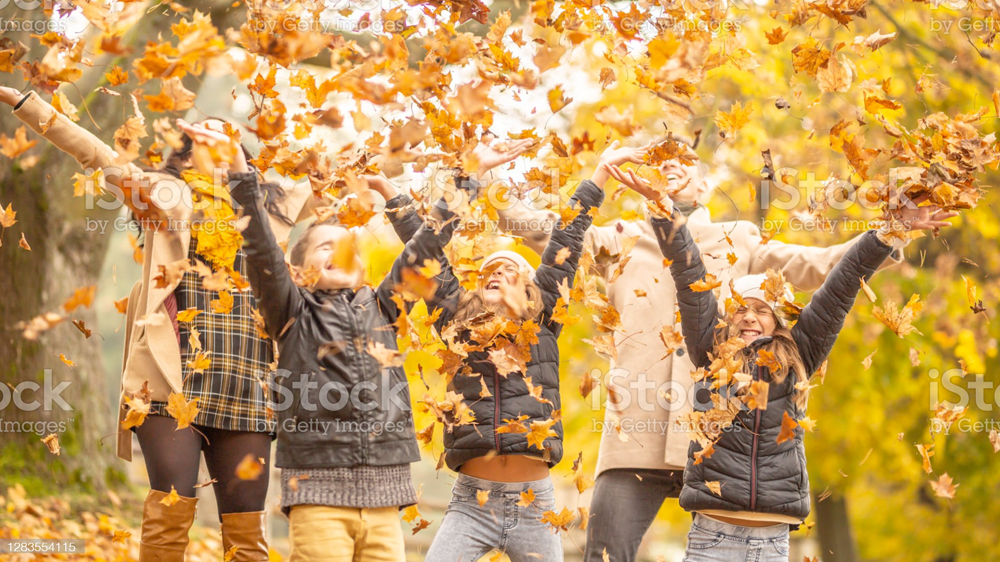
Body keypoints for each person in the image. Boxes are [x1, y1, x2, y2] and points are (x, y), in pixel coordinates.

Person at [488, 138, 907, 561]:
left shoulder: (739, 239)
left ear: (704, 185)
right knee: (605, 554)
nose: (671, 165)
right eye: (659, 160)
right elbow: (547, 232)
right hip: (636, 433)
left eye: (684, 161)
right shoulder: (619, 237)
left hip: (722, 444)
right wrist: (485, 176)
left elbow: (819, 265)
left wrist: (893, 233)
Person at [0, 86, 321, 562]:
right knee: (170, 519)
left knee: (247, 532)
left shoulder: (273, 206)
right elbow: (97, 154)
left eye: (224, 140)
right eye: (199, 141)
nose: (211, 145)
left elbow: (353, 182)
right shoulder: (165, 197)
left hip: (248, 379)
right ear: (183, 159)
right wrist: (28, 104)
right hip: (169, 381)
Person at [618, 165, 957, 561]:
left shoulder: (800, 354)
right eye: (740, 309)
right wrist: (663, 210)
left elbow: (842, 284)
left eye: (761, 310)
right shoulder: (710, 351)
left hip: (772, 543)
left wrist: (889, 232)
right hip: (712, 537)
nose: (748, 316)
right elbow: (688, 269)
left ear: (777, 321)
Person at [402, 139, 608, 562]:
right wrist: (470, 178)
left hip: (535, 504)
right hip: (469, 504)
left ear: (530, 285)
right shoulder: (456, 320)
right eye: (487, 272)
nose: (496, 273)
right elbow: (422, 249)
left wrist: (600, 175)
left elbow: (567, 240)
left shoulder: (545, 317)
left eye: (508, 269)